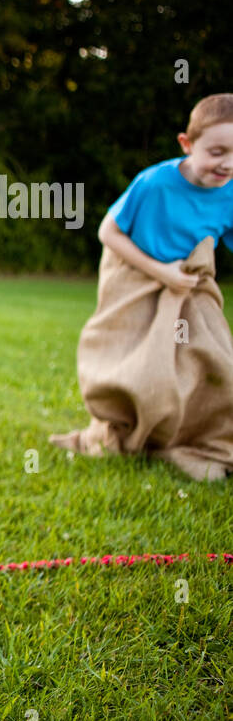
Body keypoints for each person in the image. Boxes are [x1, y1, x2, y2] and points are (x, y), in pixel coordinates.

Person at [50, 93, 233, 480]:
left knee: (215, 364)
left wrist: (181, 279)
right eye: (217, 151)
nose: (228, 163)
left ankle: (195, 441)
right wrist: (162, 273)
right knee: (142, 371)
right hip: (138, 278)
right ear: (186, 143)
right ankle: (128, 435)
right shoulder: (154, 183)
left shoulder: (230, 192)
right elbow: (108, 232)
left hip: (191, 288)